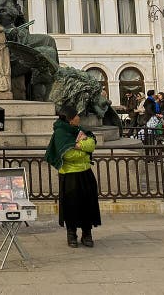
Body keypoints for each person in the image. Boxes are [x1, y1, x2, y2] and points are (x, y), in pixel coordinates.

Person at [44, 104, 100, 248]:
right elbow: (68, 155)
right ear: (70, 119)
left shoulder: (79, 130)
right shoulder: (60, 133)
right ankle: (71, 234)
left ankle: (87, 233)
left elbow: (92, 144)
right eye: (76, 115)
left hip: (85, 172)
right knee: (71, 205)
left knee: (88, 204)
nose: (78, 117)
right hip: (70, 175)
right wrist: (84, 150)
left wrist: (79, 146)